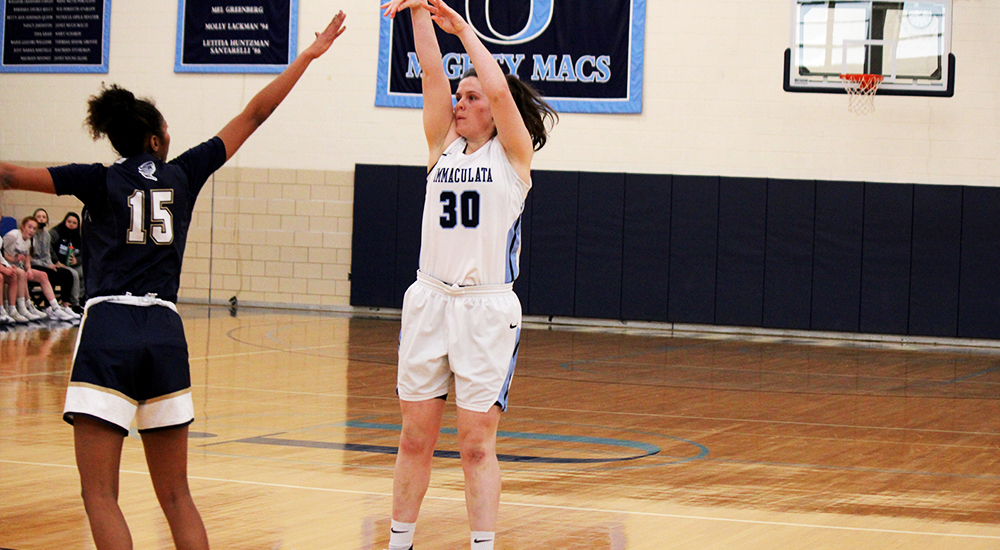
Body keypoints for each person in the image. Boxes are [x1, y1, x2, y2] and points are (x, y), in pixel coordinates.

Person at [0, 11, 346, 550]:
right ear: (159, 139)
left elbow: (8, 175)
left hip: (109, 326)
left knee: (100, 495)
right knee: (178, 496)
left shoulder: (96, 179)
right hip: (164, 330)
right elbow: (255, 114)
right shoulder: (184, 171)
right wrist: (306, 55)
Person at [379, 2, 557, 549]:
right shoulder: (440, 147)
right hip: (430, 299)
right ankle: (398, 542)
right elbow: (432, 70)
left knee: (476, 446)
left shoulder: (514, 158)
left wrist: (463, 29)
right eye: (459, 97)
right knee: (414, 438)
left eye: (470, 97)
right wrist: (414, 10)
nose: (460, 102)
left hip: (485, 309)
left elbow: (501, 91)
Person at [2, 216, 78, 321]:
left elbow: (27, 258)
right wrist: (13, 259)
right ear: (23, 226)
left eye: (34, 228)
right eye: (29, 227)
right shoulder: (13, 236)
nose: (32, 230)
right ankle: (23, 307)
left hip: (19, 267)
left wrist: (28, 268)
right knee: (21, 274)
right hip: (8, 266)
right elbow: (2, 254)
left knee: (43, 275)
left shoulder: (30, 241)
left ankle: (55, 307)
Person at [31, 208, 79, 308]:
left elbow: (47, 254)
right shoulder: (31, 234)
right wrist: (48, 265)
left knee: (67, 274)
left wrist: (51, 264)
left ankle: (66, 304)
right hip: (34, 264)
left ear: (47, 221)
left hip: (46, 264)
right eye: (38, 217)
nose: (41, 219)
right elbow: (30, 258)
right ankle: (49, 306)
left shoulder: (46, 235)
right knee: (50, 274)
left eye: (43, 217)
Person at [49, 211, 85, 307]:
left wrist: (77, 260)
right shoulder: (56, 233)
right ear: (64, 221)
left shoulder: (79, 237)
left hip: (72, 264)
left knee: (85, 271)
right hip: (58, 264)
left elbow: (84, 253)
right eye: (69, 221)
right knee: (74, 274)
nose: (71, 225)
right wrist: (56, 261)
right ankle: (74, 302)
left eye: (74, 223)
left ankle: (81, 298)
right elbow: (48, 247)